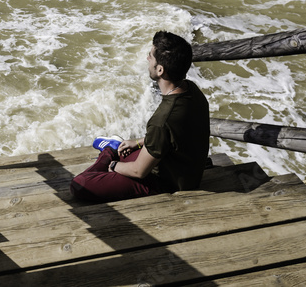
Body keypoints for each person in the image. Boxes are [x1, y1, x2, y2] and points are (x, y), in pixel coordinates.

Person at [69, 31, 210, 202]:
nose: (147, 58)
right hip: (186, 172)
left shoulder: (163, 118)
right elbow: (174, 134)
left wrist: (112, 165)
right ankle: (114, 150)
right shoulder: (192, 91)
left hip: (166, 183)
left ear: (160, 69)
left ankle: (107, 153)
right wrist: (137, 142)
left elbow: (139, 171)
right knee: (124, 154)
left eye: (150, 56)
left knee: (80, 185)